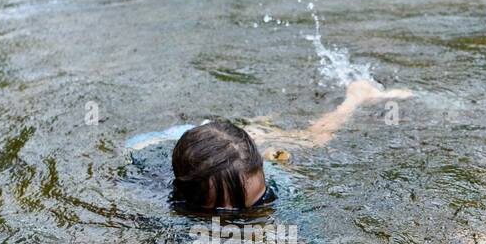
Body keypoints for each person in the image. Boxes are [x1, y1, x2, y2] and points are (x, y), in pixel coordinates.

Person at [127, 79, 411, 213]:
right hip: (186, 140)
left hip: (236, 141)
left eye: (263, 199)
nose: (261, 208)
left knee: (313, 141)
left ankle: (357, 96)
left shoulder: (274, 176)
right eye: (235, 211)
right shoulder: (151, 179)